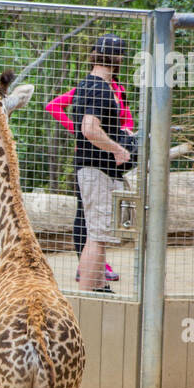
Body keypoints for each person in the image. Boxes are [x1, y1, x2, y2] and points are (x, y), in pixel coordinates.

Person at [46, 69, 134, 284]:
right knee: (84, 211)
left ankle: (96, 268)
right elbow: (53, 106)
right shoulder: (90, 88)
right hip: (89, 157)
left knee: (103, 218)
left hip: (113, 157)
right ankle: (85, 266)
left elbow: (126, 118)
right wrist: (78, 131)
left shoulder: (118, 89)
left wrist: (125, 133)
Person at [73, 34, 135, 292]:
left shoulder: (88, 84)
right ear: (118, 57)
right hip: (96, 168)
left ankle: (98, 287)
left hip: (94, 168)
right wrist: (118, 149)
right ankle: (89, 294)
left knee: (96, 234)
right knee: (98, 237)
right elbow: (90, 129)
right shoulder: (99, 88)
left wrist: (123, 136)